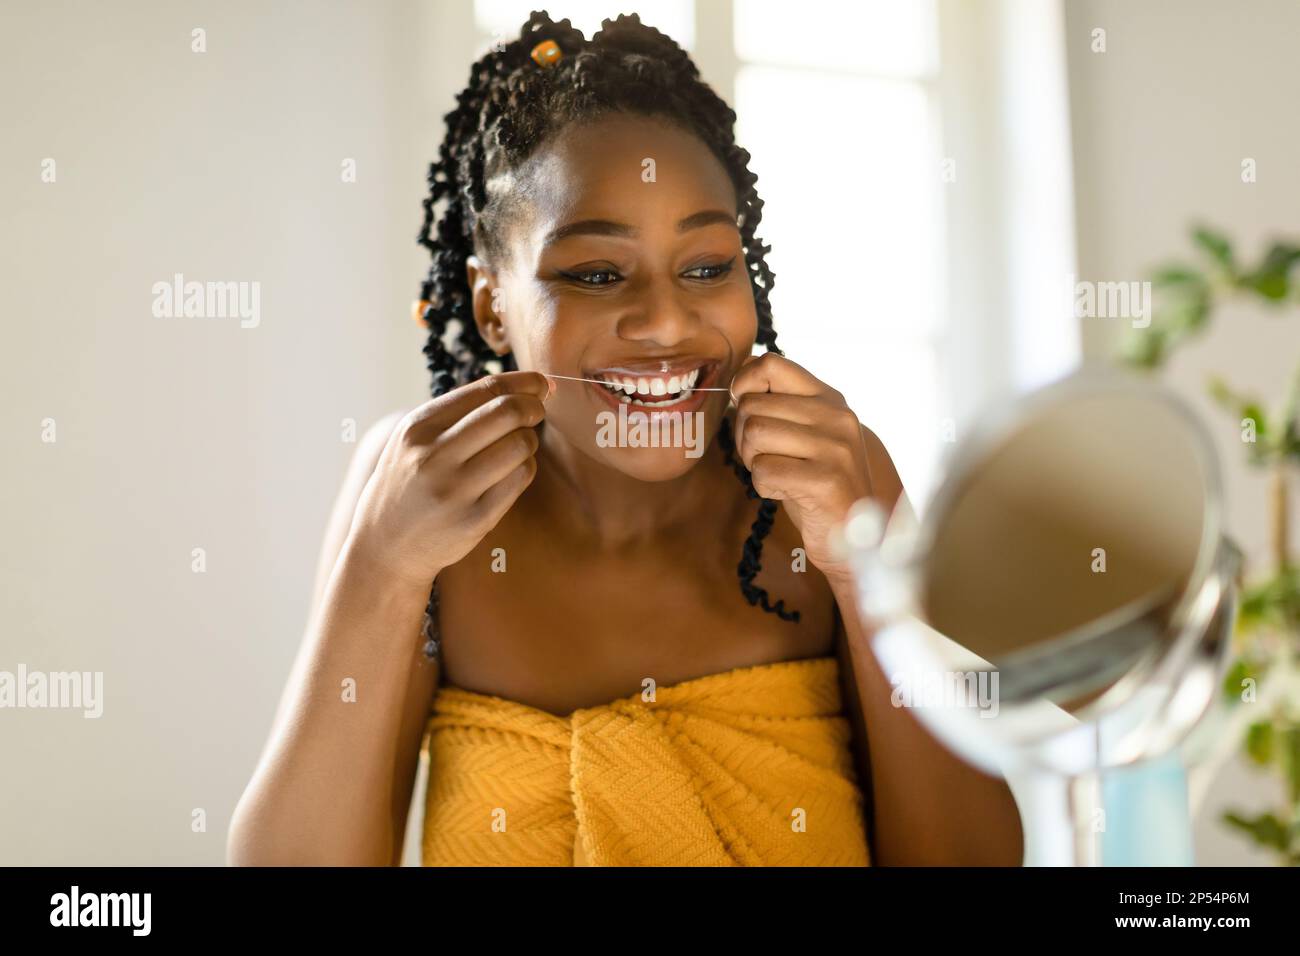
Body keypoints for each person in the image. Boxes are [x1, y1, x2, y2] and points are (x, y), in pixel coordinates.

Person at [228, 11, 1023, 867]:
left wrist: (870, 572)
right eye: (597, 274)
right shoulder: (418, 499)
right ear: (492, 304)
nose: (665, 322)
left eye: (708, 267)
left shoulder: (832, 480)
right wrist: (382, 568)